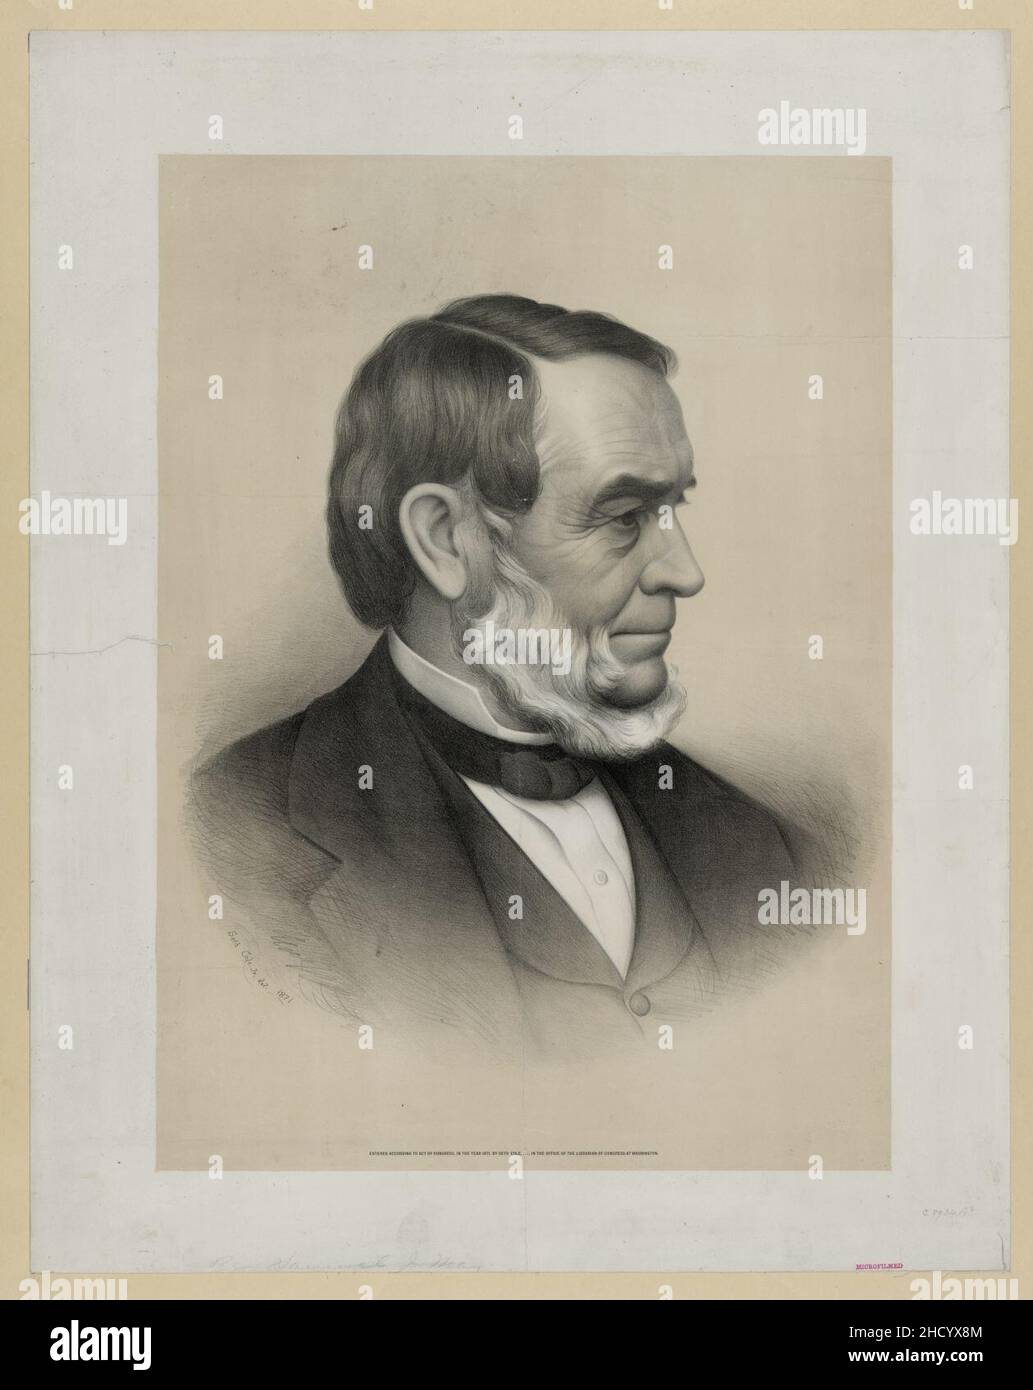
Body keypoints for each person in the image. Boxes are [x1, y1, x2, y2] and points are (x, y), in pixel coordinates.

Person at [192, 294, 816, 1058]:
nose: (684, 572)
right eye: (623, 516)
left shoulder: (755, 843)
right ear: (445, 540)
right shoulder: (239, 840)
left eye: (671, 509)